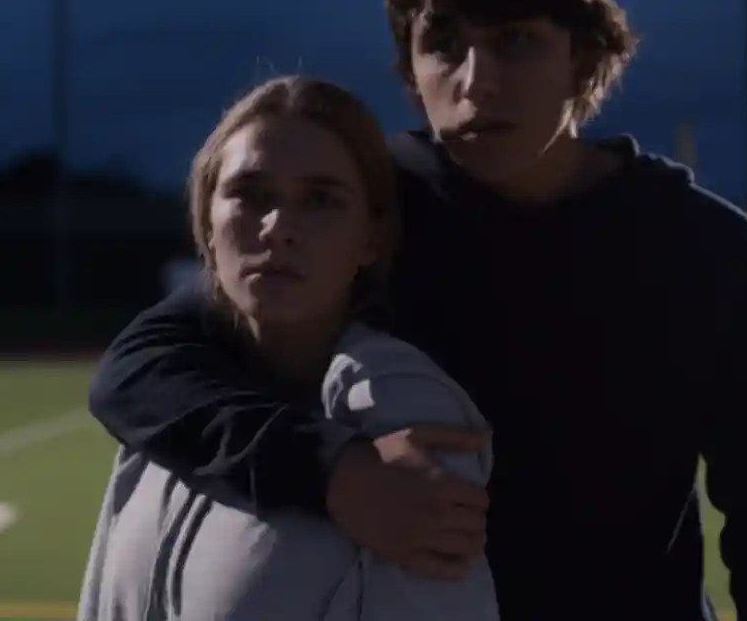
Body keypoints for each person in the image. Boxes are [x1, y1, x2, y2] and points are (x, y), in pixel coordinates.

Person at [88, 0, 747, 618]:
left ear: (582, 55)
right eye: (444, 42)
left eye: (515, 39)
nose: (477, 81)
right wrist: (332, 469)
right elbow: (139, 369)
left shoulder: (702, 247)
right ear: (411, 66)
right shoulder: (370, 208)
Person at [78, 75, 500, 620]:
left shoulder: (407, 416)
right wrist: (327, 469)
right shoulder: (167, 413)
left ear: (371, 236)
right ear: (207, 223)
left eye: (321, 200)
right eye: (250, 196)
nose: (278, 228)